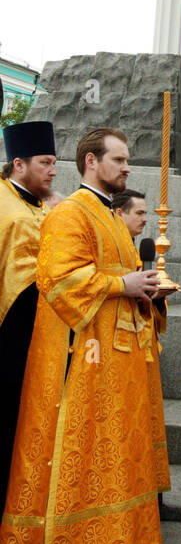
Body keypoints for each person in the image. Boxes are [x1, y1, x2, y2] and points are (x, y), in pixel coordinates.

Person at [0, 127, 170, 544]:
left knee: (107, 461)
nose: (127, 168)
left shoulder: (110, 216)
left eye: (128, 160)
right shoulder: (72, 212)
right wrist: (124, 282)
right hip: (79, 362)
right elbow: (58, 278)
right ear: (91, 162)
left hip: (113, 365)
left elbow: (119, 283)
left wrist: (145, 293)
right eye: (118, 159)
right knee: (76, 458)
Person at [0, 120, 57, 514]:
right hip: (8, 338)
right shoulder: (5, 204)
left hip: (40, 337)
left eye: (54, 163)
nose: (53, 170)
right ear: (18, 164)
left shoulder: (40, 205)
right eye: (45, 163)